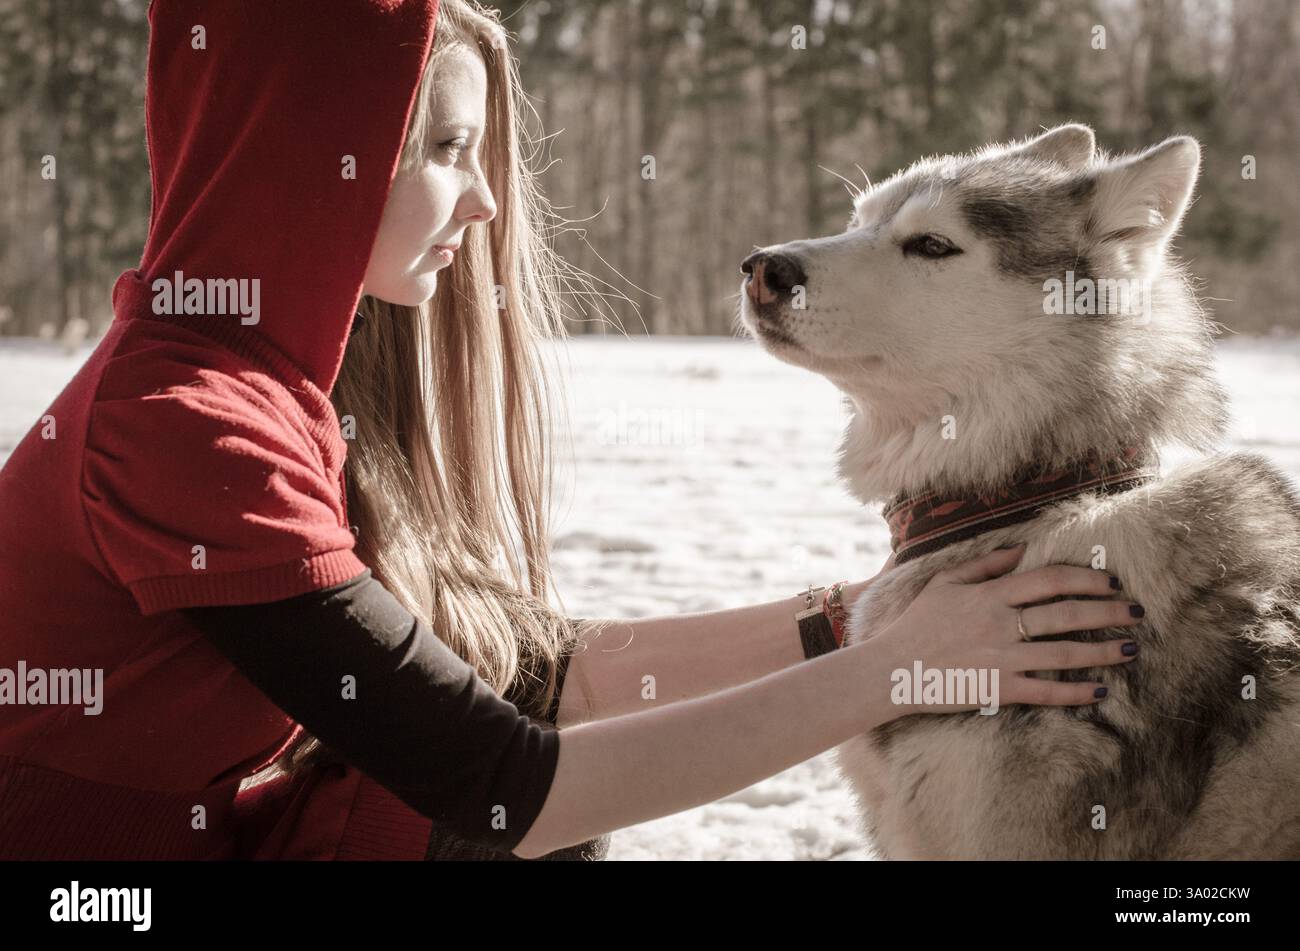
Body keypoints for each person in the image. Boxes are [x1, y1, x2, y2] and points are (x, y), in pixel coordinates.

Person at [0, 0, 1142, 862]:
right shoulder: (184, 426)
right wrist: (902, 667)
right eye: (447, 151)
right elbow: (509, 786)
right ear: (305, 149)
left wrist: (855, 621)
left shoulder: (257, 384)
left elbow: (538, 673)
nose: (486, 203)